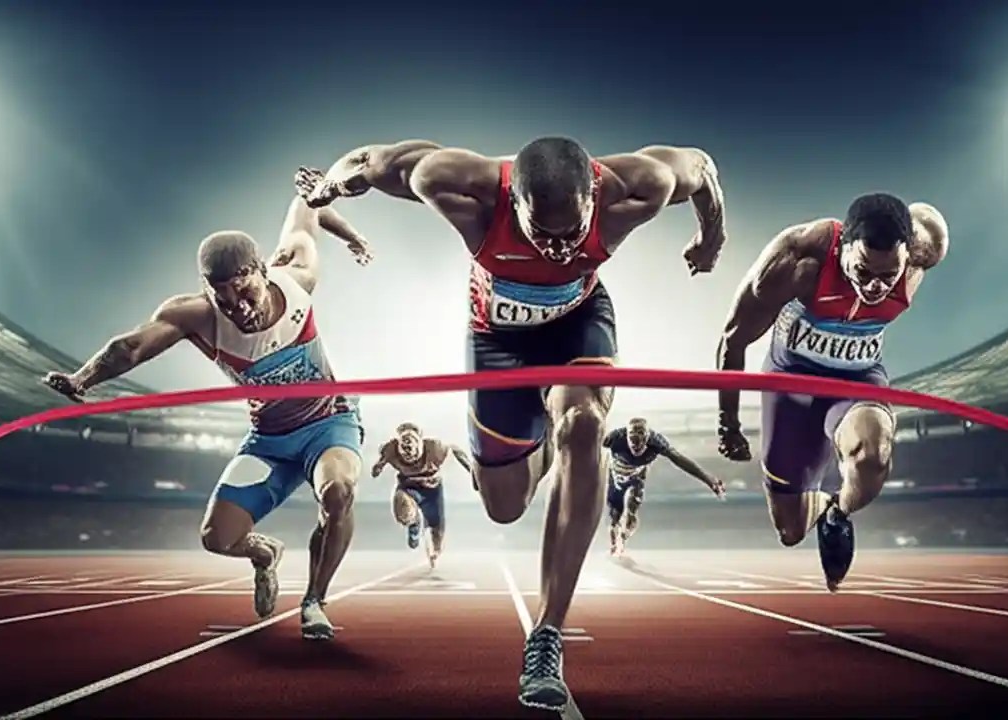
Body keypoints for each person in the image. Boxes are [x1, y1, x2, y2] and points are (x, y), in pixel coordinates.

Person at [295, 135, 727, 710]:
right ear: (512, 204)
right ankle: (541, 444)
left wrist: (711, 238)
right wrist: (331, 186)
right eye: (540, 234)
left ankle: (547, 633)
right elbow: (373, 161)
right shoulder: (457, 185)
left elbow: (701, 167)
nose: (555, 249)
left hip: (578, 326)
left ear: (593, 198)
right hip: (495, 341)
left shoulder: (636, 186)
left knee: (583, 428)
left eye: (571, 234)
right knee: (504, 506)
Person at [42, 195, 373, 641]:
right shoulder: (196, 315)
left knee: (338, 492)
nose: (239, 308)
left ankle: (314, 600)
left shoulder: (298, 278)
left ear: (262, 268)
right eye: (225, 298)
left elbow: (307, 206)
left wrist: (353, 239)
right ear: (207, 288)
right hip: (270, 440)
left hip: (328, 424)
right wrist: (82, 380)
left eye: (246, 292)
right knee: (217, 539)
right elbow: (129, 348)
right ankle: (264, 555)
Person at [715, 193, 948, 591]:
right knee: (790, 531)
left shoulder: (923, 248)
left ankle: (838, 511)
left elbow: (925, 218)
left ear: (909, 253)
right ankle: (816, 508)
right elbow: (734, 340)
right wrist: (728, 424)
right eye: (862, 271)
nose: (874, 288)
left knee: (871, 455)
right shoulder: (797, 260)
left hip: (857, 378)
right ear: (842, 247)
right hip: (791, 382)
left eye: (887, 276)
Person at [602, 417, 725, 557]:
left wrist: (709, 480)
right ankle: (614, 540)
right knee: (614, 518)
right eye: (633, 444)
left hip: (636, 478)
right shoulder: (614, 438)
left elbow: (680, 460)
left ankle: (623, 537)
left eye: (641, 444)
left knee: (630, 513)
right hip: (616, 477)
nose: (637, 449)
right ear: (627, 437)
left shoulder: (657, 442)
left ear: (647, 438)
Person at [370, 422, 472, 569]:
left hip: (432, 490)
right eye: (405, 454)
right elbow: (381, 462)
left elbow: (454, 449)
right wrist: (378, 466)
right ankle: (414, 524)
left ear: (420, 445)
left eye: (412, 453)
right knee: (402, 508)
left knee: (437, 538)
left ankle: (434, 552)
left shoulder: (435, 448)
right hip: (408, 487)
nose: (410, 459)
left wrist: (470, 468)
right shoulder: (390, 450)